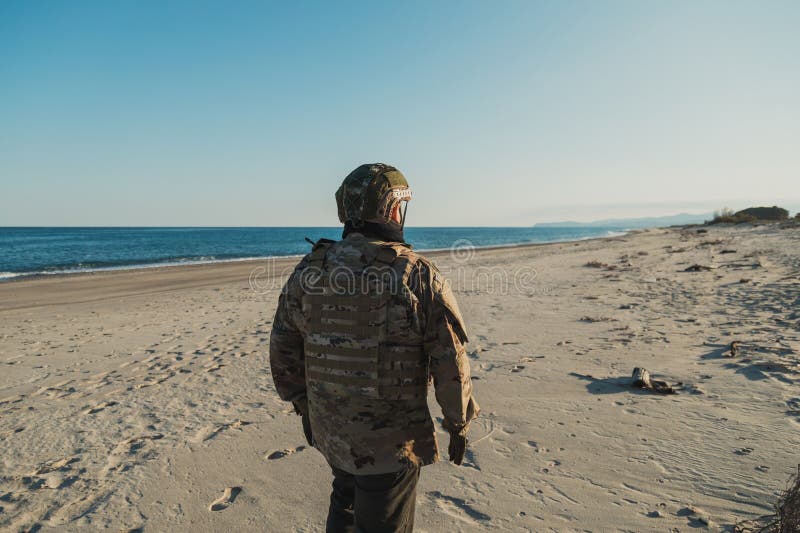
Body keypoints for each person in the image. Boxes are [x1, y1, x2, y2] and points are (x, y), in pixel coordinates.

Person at [269, 163, 479, 532]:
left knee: (345, 498)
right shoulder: (417, 274)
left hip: (330, 431)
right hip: (391, 443)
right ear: (392, 209)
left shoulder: (311, 269)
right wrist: (458, 422)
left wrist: (304, 406)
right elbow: (450, 362)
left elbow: (283, 348)